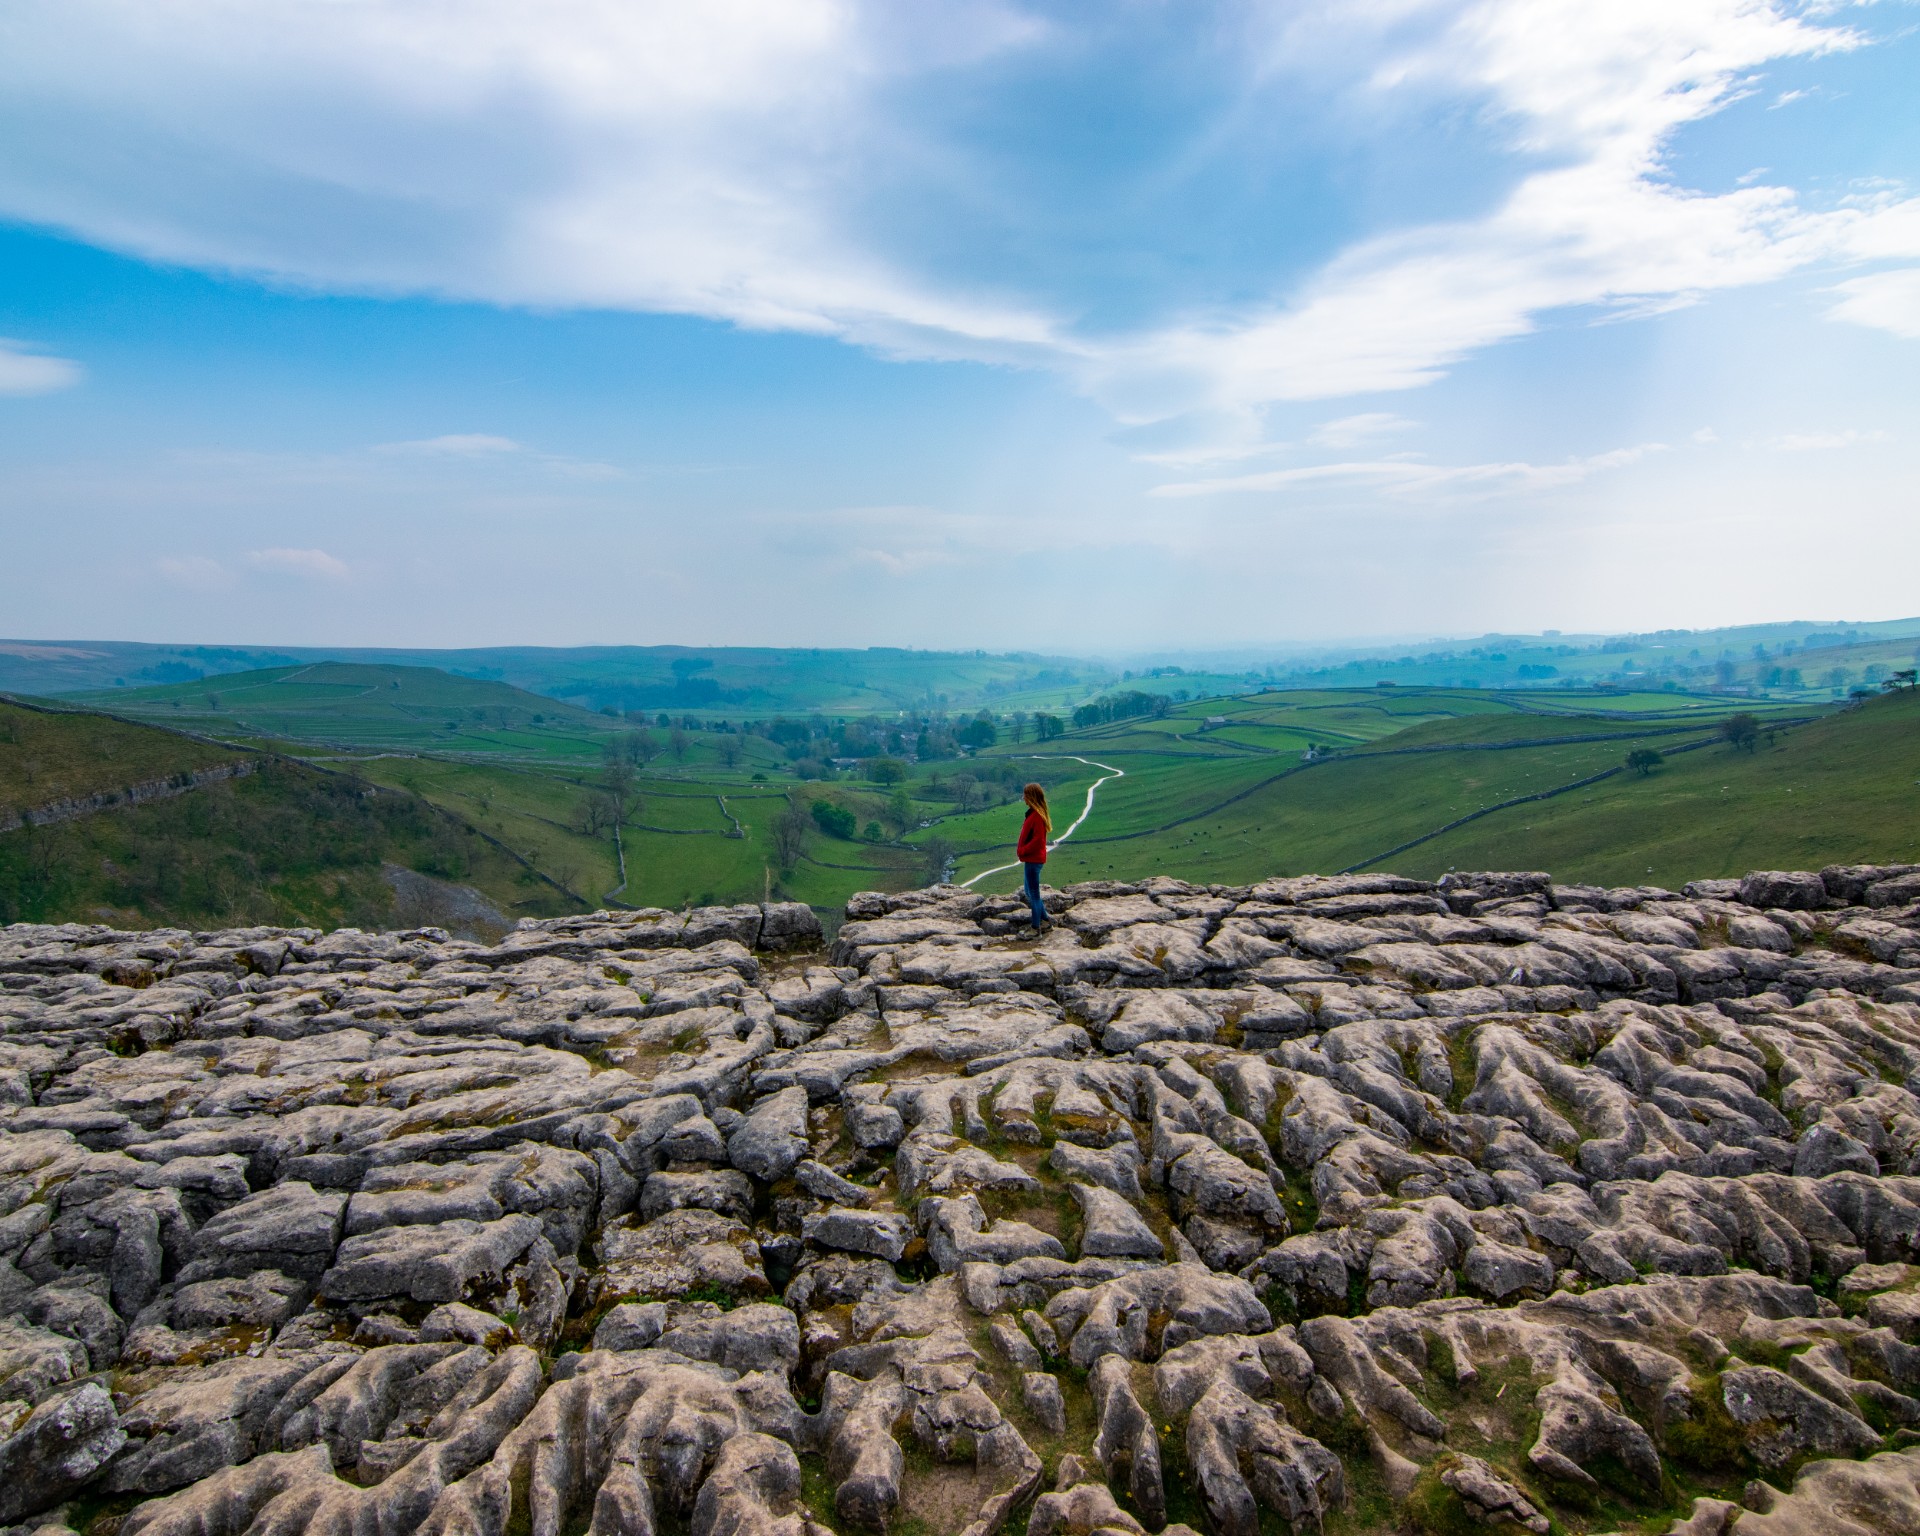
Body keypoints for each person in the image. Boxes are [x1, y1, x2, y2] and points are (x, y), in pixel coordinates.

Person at [1016, 782, 1051, 930]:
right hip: (1032, 859)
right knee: (1030, 891)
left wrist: (1023, 851)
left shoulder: (1036, 816)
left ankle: (1036, 928)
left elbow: (1038, 840)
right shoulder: (1035, 813)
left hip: (1033, 860)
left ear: (1031, 797)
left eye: (1025, 795)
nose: (1023, 797)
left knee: (1034, 895)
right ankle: (1046, 922)